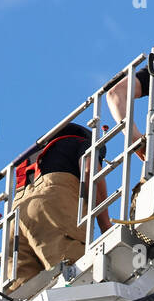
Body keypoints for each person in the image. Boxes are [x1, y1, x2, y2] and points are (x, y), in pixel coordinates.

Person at [6, 123, 112, 292]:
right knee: (74, 274)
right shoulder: (81, 142)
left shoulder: (33, 159)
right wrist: (106, 226)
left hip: (16, 218)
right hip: (52, 205)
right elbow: (89, 171)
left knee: (22, 294)